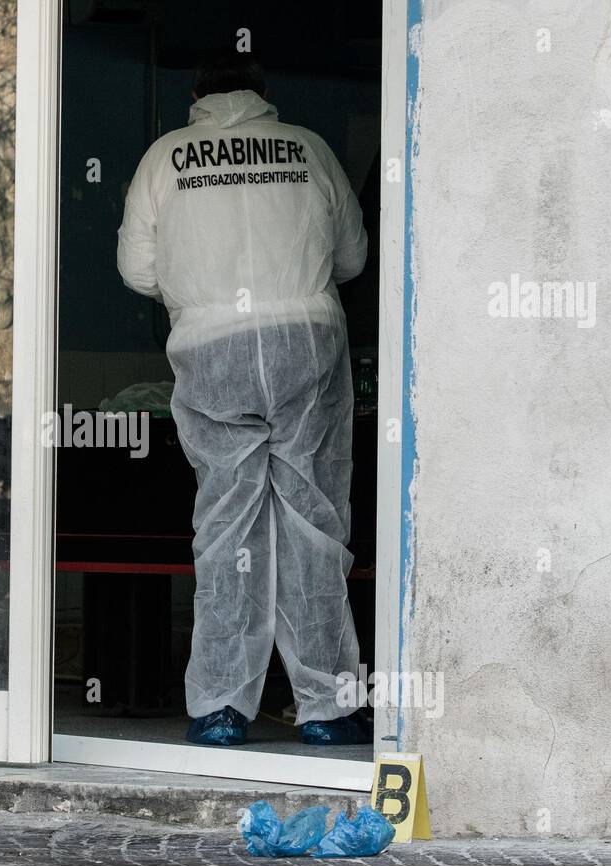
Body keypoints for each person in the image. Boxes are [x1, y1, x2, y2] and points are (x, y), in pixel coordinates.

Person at [116, 54, 370, 746]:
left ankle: (221, 709)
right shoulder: (308, 148)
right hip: (305, 342)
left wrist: (202, 285)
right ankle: (328, 709)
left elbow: (137, 270)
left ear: (197, 96)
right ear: (263, 94)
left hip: (212, 347)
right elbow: (352, 258)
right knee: (313, 518)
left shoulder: (165, 158)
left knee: (227, 521)